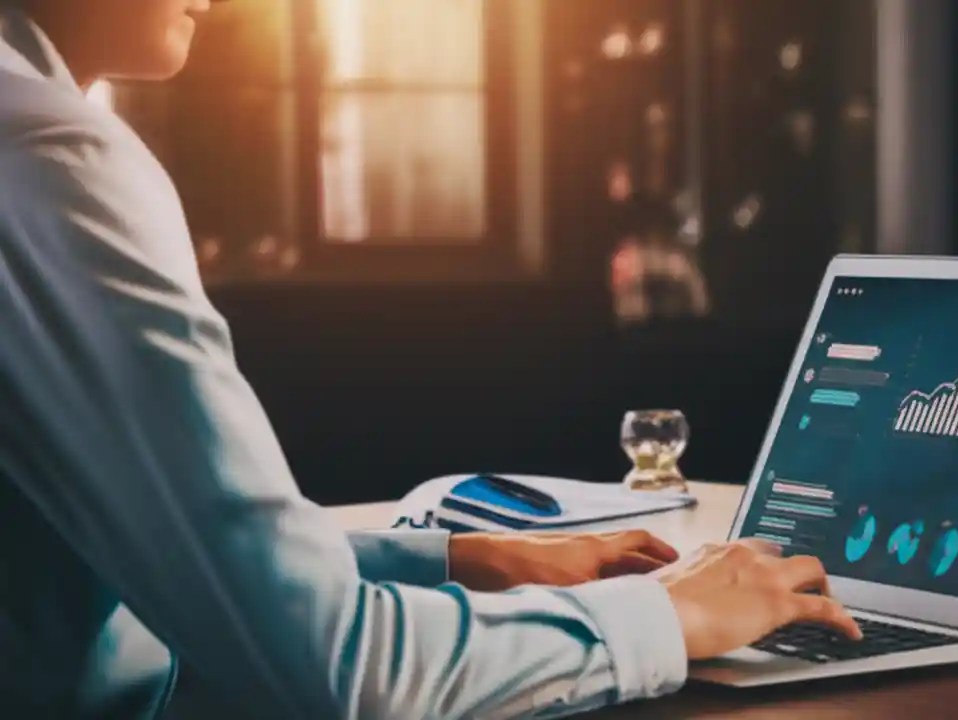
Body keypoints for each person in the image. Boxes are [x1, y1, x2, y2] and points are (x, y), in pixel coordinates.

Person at [0, 1, 860, 717]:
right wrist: (662, 617)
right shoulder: (48, 157)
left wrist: (461, 560)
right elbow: (338, 668)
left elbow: (171, 571)